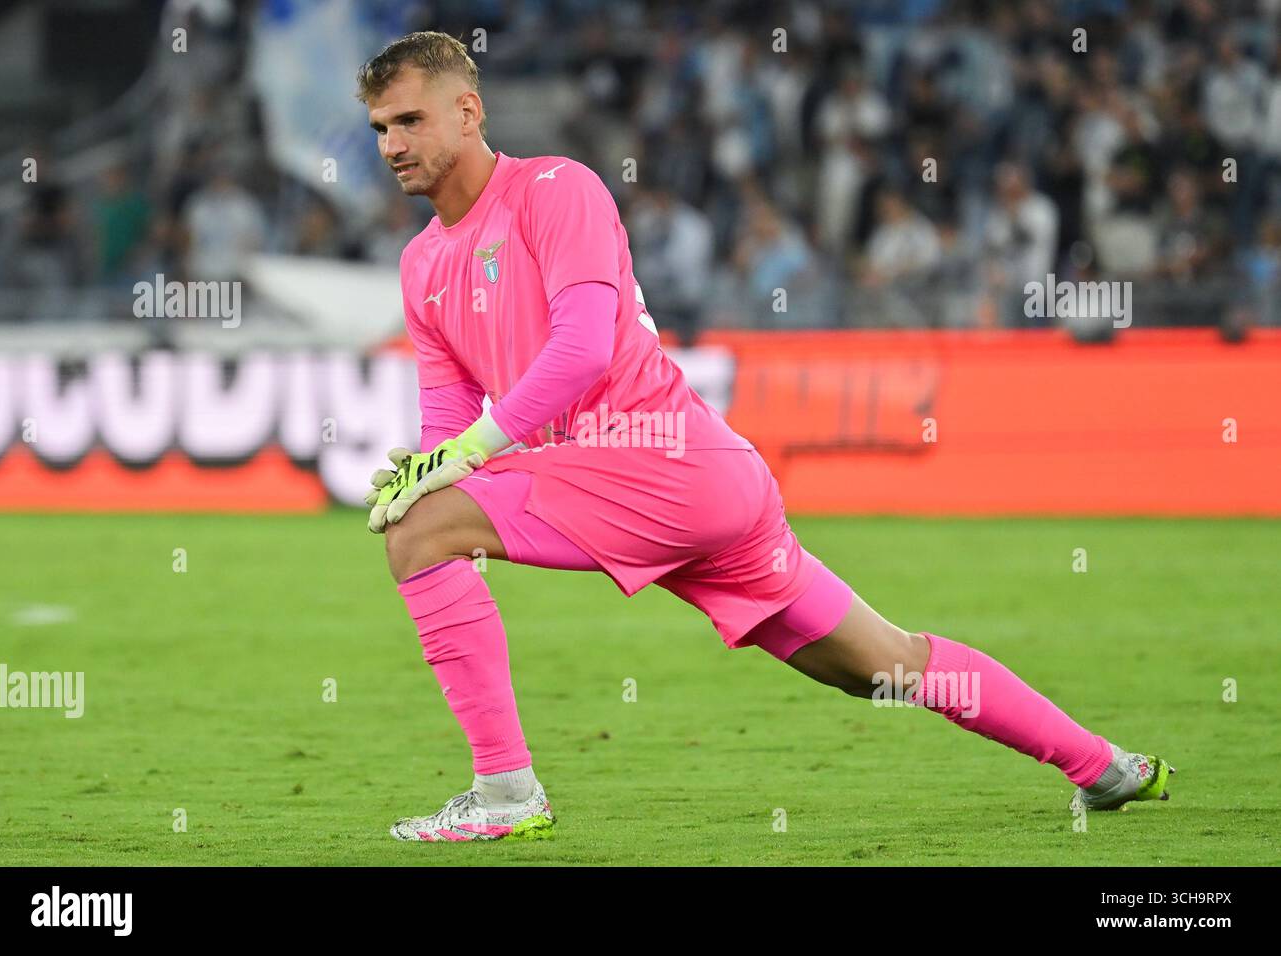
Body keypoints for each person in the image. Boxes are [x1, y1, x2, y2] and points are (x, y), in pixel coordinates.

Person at [356, 32, 1174, 843]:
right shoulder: (423, 264)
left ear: (468, 111)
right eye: (380, 130)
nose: (393, 145)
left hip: (661, 461)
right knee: (884, 667)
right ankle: (1105, 766)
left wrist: (463, 461)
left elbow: (583, 349)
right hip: (696, 486)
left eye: (409, 121)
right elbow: (449, 420)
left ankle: (505, 794)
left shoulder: (554, 190)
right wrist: (435, 463)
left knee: (420, 532)